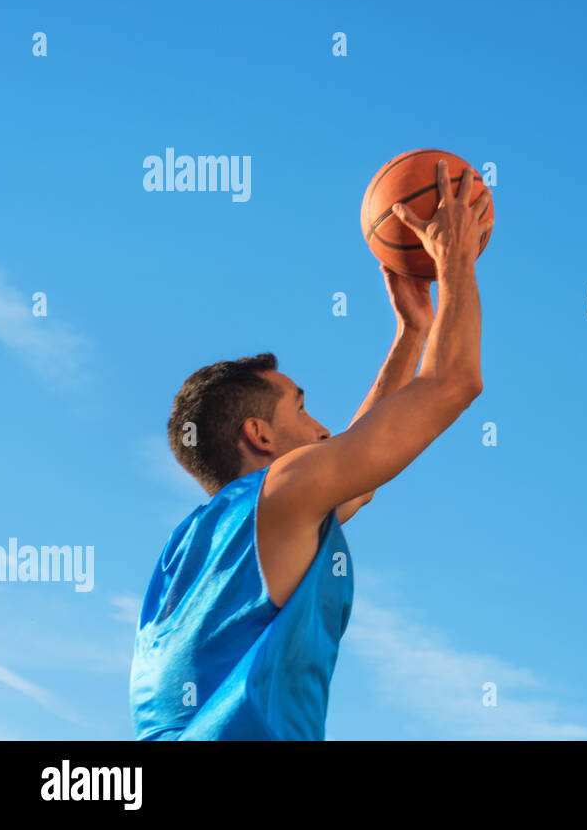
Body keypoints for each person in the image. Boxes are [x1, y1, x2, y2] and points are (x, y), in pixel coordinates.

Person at [130, 161, 491, 740]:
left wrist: (412, 333)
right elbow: (454, 383)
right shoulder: (281, 497)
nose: (324, 429)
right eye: (301, 408)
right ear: (260, 436)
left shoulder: (193, 549)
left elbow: (359, 474)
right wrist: (454, 260)